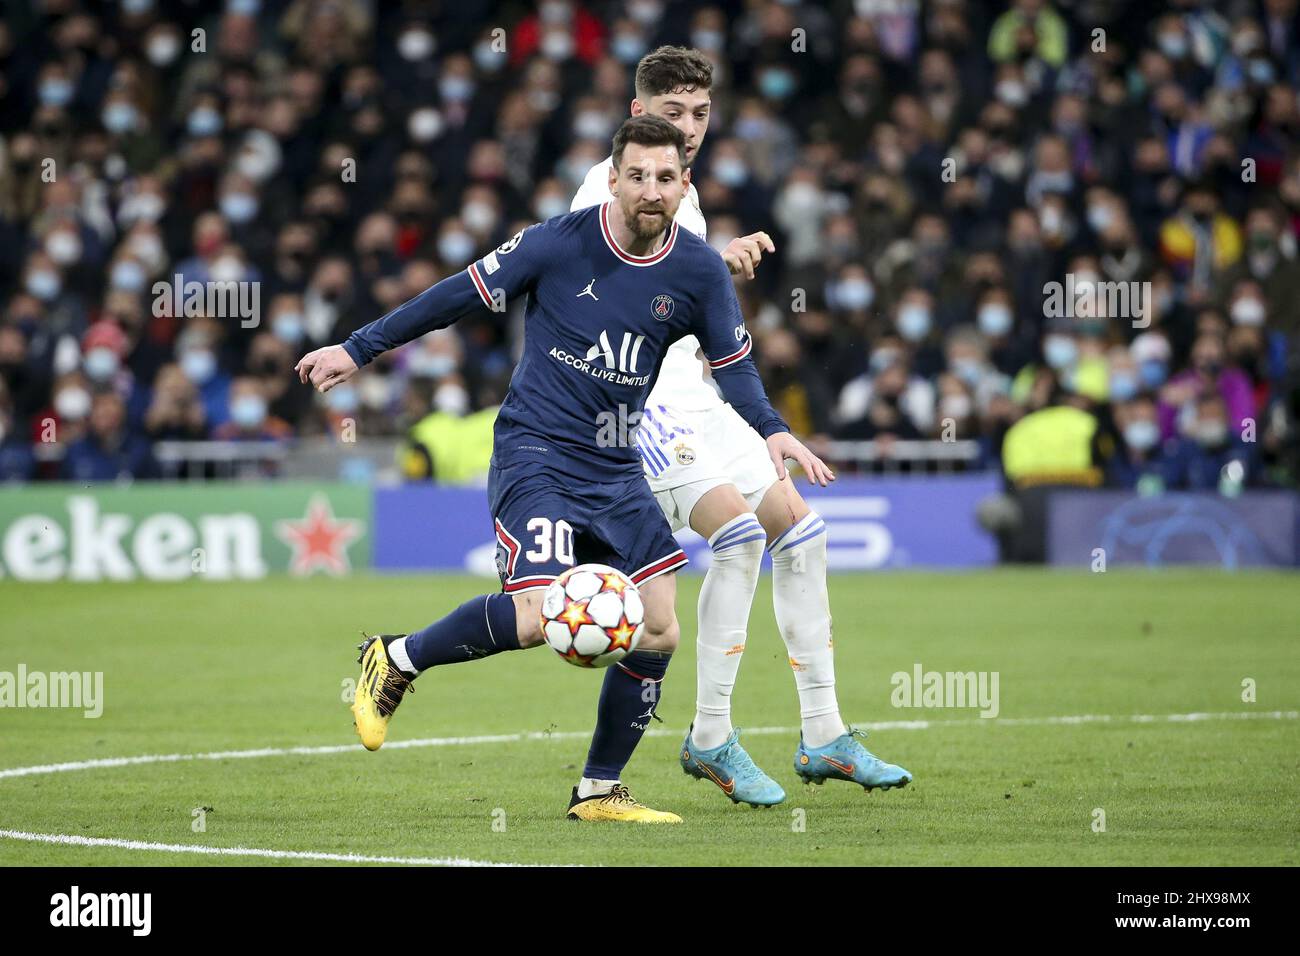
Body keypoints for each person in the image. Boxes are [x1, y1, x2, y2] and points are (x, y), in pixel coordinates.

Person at [296, 115, 832, 822]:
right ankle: (395, 658)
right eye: (636, 175)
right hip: (536, 453)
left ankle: (599, 790)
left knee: (660, 629)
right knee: (535, 616)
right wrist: (358, 349)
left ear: (685, 185)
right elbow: (456, 294)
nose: (650, 190)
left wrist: (773, 431)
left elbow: (733, 366)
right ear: (612, 180)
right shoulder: (558, 243)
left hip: (615, 464)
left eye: (665, 178)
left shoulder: (699, 270)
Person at [571, 46, 912, 804]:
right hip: (642, 401)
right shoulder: (607, 185)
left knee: (802, 531)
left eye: (699, 113)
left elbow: (678, 291)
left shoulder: (682, 191)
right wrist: (702, 263)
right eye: (673, 113)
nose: (688, 127)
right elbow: (595, 290)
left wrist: (710, 265)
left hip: (700, 395)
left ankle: (824, 734)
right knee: (739, 535)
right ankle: (711, 737)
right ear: (638, 113)